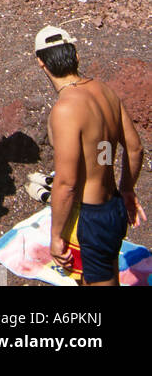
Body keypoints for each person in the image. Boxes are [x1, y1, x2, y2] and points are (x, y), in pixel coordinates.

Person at [36, 26, 145, 286]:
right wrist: (127, 190)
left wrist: (56, 236)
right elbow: (133, 148)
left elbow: (66, 183)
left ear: (41, 63)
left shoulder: (65, 109)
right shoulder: (103, 90)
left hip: (90, 217)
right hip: (113, 207)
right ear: (76, 57)